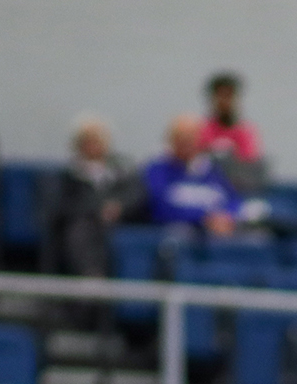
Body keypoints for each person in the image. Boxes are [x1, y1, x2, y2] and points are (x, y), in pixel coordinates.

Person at [49, 115, 136, 278]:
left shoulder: (122, 171)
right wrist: (98, 209)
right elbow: (62, 207)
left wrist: (119, 207)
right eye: (87, 142)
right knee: (80, 232)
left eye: (97, 141)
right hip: (84, 226)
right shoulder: (69, 176)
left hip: (118, 222)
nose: (93, 146)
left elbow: (135, 195)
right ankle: (91, 276)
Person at [141, 114, 241, 236]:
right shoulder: (157, 170)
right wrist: (204, 218)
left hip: (216, 238)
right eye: (181, 137)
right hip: (176, 239)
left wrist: (227, 216)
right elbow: (160, 208)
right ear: (171, 140)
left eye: (191, 136)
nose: (186, 142)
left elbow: (233, 200)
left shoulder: (212, 170)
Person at [198, 72, 263, 163]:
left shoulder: (245, 132)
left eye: (228, 96)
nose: (224, 101)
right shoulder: (201, 130)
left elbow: (249, 162)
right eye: (220, 96)